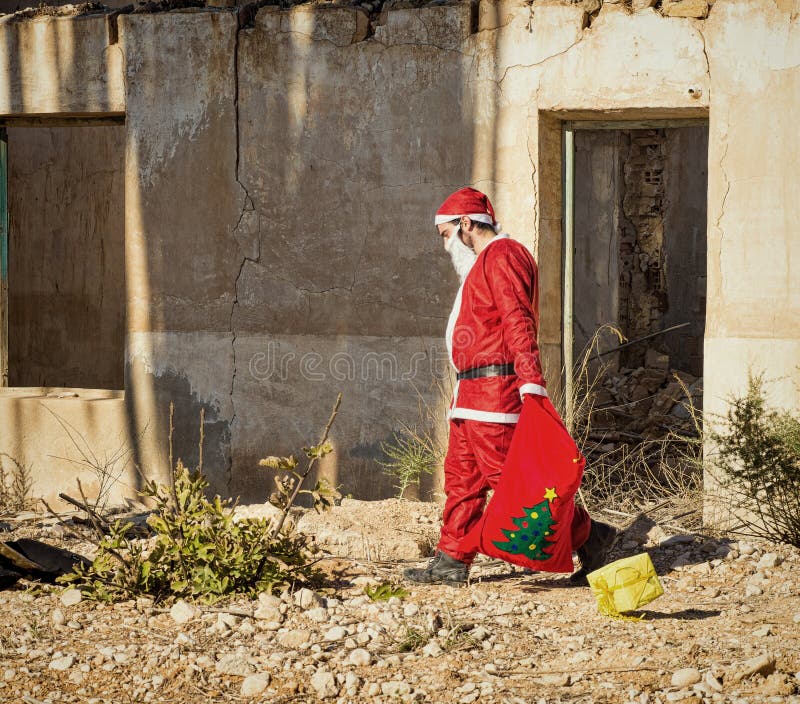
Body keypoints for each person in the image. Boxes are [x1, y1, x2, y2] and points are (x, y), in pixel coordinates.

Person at [404, 187, 617, 586]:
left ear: (466, 223)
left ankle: (591, 538)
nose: (446, 245)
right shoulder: (484, 263)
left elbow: (517, 319)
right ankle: (451, 560)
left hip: (495, 393)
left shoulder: (503, 254)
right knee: (462, 480)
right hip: (470, 395)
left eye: (447, 235)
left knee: (516, 484)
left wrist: (531, 381)